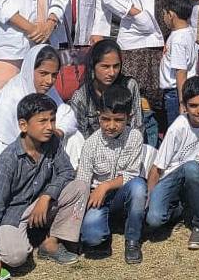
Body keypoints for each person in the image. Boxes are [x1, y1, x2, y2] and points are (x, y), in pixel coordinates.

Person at [0, 93, 89, 275]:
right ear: (23, 125)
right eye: (42, 121)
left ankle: (51, 242)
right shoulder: (8, 161)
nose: (49, 127)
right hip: (14, 215)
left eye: (52, 120)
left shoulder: (52, 142)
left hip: (40, 205)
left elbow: (67, 171)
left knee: (80, 187)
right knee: (15, 259)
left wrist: (46, 196)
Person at [102, 0, 183, 143]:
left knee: (166, 100)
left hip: (168, 40)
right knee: (139, 104)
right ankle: (138, 152)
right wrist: (133, 12)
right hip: (136, 40)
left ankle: (165, 154)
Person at [0, 45, 80, 213]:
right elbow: (2, 160)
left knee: (75, 137)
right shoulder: (6, 105)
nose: (49, 81)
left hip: (34, 164)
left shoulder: (47, 92)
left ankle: (70, 188)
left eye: (54, 75)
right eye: (43, 74)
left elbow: (68, 115)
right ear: (30, 69)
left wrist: (57, 132)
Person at [146, 76, 199, 250]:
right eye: (193, 105)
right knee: (154, 219)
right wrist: (148, 199)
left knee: (193, 167)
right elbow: (157, 167)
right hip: (172, 177)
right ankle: (179, 209)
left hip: (195, 174)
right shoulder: (178, 127)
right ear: (184, 106)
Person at [77, 84, 148, 264]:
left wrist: (106, 185)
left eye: (118, 120)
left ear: (129, 117)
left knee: (139, 186)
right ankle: (103, 229)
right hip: (98, 199)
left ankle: (132, 240)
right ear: (98, 115)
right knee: (92, 237)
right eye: (105, 119)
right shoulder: (90, 145)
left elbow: (132, 174)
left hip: (122, 194)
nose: (111, 126)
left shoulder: (134, 137)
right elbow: (82, 182)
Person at [68, 39, 143, 139]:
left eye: (116, 66)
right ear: (93, 66)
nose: (112, 73)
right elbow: (79, 136)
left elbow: (137, 127)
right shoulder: (81, 97)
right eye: (105, 67)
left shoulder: (129, 86)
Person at [160, 0, 198, 128]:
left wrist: (182, 103)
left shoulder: (178, 40)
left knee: (176, 132)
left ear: (171, 15)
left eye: (164, 14)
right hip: (183, 91)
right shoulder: (190, 32)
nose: (163, 17)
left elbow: (181, 72)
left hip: (176, 93)